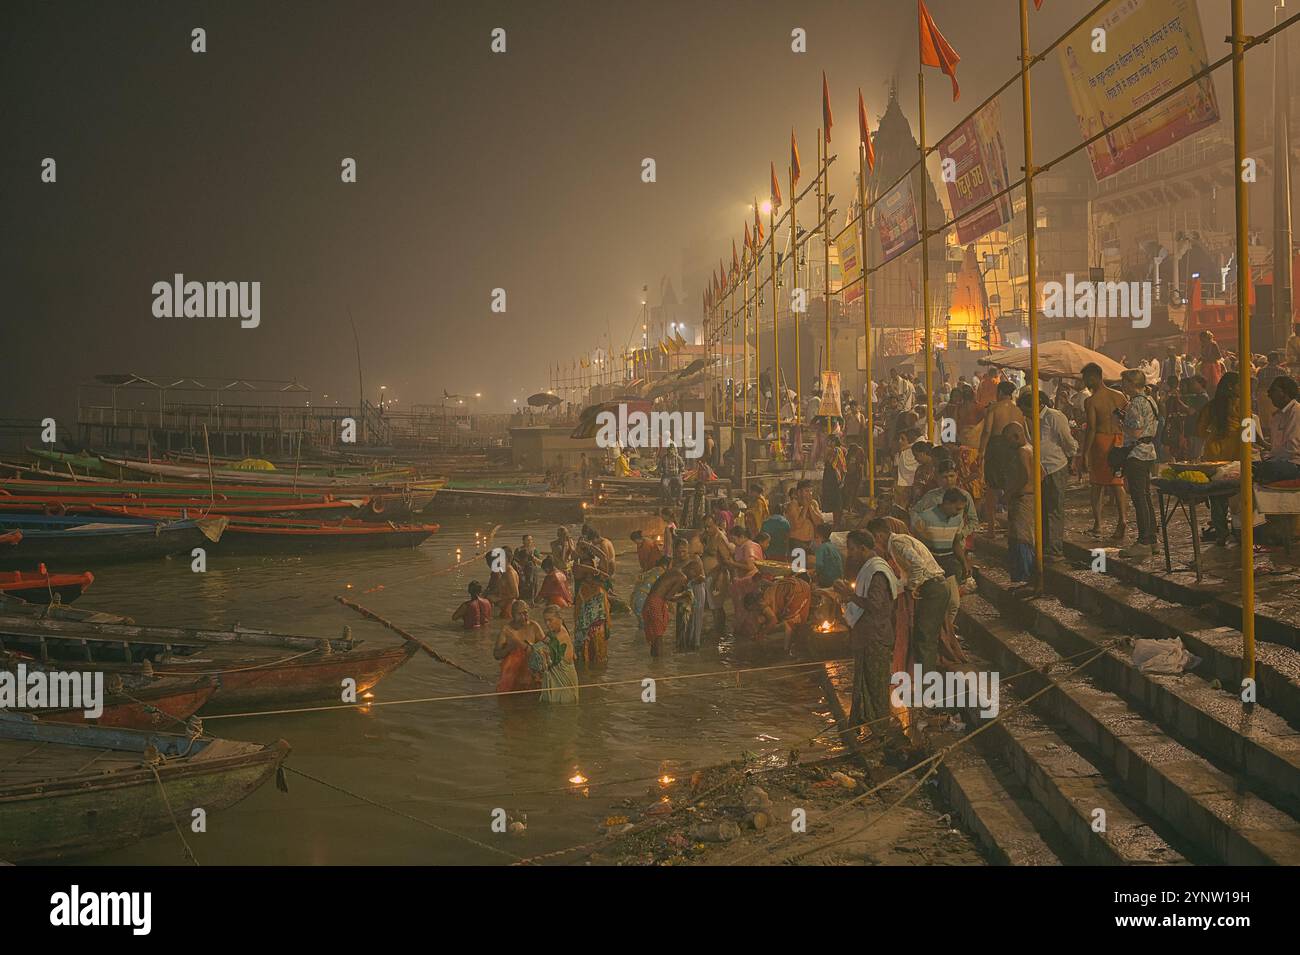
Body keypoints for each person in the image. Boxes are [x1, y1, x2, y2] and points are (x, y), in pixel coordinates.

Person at [835, 530, 905, 736]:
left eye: (852, 549)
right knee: (865, 681)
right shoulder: (870, 567)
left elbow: (875, 605)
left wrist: (849, 595)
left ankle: (881, 728)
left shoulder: (877, 571)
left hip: (875, 634)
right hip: (867, 634)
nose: (850, 553)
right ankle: (869, 724)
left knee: (876, 683)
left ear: (864, 548)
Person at [1019, 390, 1078, 562]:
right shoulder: (1029, 421)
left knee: (1054, 510)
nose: (1024, 414)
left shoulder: (1054, 417)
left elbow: (1067, 441)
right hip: (1039, 469)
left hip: (1055, 467)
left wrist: (1072, 457)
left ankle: (1055, 549)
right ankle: (1045, 545)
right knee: (1043, 509)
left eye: (1026, 410)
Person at [1082, 361, 1129, 540]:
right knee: (1118, 483)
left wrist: (1085, 453)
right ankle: (1123, 519)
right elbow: (1128, 419)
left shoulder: (1091, 401)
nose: (1085, 382)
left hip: (1101, 441)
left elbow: (1092, 428)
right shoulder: (1120, 396)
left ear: (1094, 377)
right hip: (1119, 440)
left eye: (1086, 378)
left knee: (1097, 485)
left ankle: (1098, 524)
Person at [1116, 369, 1159, 560]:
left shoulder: (1135, 403)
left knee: (1139, 499)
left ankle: (1143, 541)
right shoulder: (1150, 400)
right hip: (1149, 452)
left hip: (1137, 453)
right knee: (1146, 497)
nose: (1122, 386)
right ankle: (1152, 539)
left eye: (1124, 383)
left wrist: (1120, 422)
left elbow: (1135, 431)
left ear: (1133, 384)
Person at [978, 379, 1025, 525]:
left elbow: (986, 431)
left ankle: (991, 527)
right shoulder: (1019, 409)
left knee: (992, 487)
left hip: (996, 447)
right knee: (1010, 486)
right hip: (1014, 448)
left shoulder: (994, 409)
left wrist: (981, 452)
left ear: (999, 392)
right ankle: (1012, 525)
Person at [1000, 422, 1038, 583]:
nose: (1007, 444)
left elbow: (1024, 476)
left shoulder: (1022, 451)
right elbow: (1041, 473)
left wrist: (1010, 493)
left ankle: (1024, 575)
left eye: (1008, 440)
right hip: (1029, 497)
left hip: (1022, 498)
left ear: (1016, 436)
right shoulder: (1031, 448)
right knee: (1024, 536)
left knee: (1021, 538)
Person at [741, 576, 812, 652]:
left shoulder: (761, 603)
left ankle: (787, 651)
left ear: (753, 605)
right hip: (803, 585)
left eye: (752, 610)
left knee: (789, 623)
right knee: (802, 621)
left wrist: (761, 634)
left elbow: (773, 620)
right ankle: (802, 646)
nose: (754, 612)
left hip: (795, 592)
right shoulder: (764, 591)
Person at [642, 554, 691, 657]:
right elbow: (668, 597)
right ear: (692, 572)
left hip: (649, 601)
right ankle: (660, 668)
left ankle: (654, 666)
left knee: (655, 637)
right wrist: (684, 596)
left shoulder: (673, 571)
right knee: (659, 636)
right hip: (656, 602)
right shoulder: (682, 577)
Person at [529, 605, 579, 704]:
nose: (547, 624)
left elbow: (543, 660)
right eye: (545, 621)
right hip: (555, 681)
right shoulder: (555, 632)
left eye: (550, 620)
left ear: (560, 619)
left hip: (563, 683)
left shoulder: (561, 636)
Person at [494, 600, 544, 694]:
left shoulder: (534, 626)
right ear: (512, 615)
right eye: (519, 614)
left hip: (531, 671)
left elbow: (545, 648)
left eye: (525, 613)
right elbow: (496, 654)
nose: (523, 617)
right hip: (513, 675)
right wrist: (509, 648)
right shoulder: (506, 630)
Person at [1258, 375, 1300, 484]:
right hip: (1281, 462)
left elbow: (1292, 449)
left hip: (1294, 464)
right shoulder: (1278, 415)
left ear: (1285, 393)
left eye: (1273, 390)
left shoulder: (1296, 412)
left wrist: (1269, 457)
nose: (1269, 394)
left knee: (1255, 470)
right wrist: (1262, 445)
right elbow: (1277, 448)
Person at [784, 480, 822, 555]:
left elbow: (820, 523)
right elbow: (797, 525)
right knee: (798, 566)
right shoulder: (793, 505)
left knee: (811, 566)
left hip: (811, 542)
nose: (809, 493)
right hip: (797, 543)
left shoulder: (813, 503)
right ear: (799, 492)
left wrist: (810, 507)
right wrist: (805, 507)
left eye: (811, 491)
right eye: (806, 491)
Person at [484, 550, 520, 618]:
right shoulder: (505, 572)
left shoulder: (510, 573)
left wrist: (498, 598)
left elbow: (516, 594)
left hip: (509, 607)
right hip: (505, 606)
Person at [822, 435, 847, 526]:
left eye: (830, 441)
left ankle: (837, 523)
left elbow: (841, 466)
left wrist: (842, 480)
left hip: (834, 477)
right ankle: (835, 522)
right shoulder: (830, 450)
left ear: (834, 441)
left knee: (836, 501)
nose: (828, 443)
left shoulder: (837, 450)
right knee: (832, 500)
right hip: (829, 476)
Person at [761, 490, 792, 558]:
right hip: (781, 552)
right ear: (783, 512)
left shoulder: (766, 522)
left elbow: (762, 538)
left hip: (768, 552)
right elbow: (788, 538)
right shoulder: (785, 522)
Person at [811, 522, 844, 587]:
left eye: (816, 537)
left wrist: (813, 574)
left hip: (828, 580)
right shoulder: (833, 546)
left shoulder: (821, 548)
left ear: (818, 535)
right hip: (838, 579)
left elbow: (819, 565)